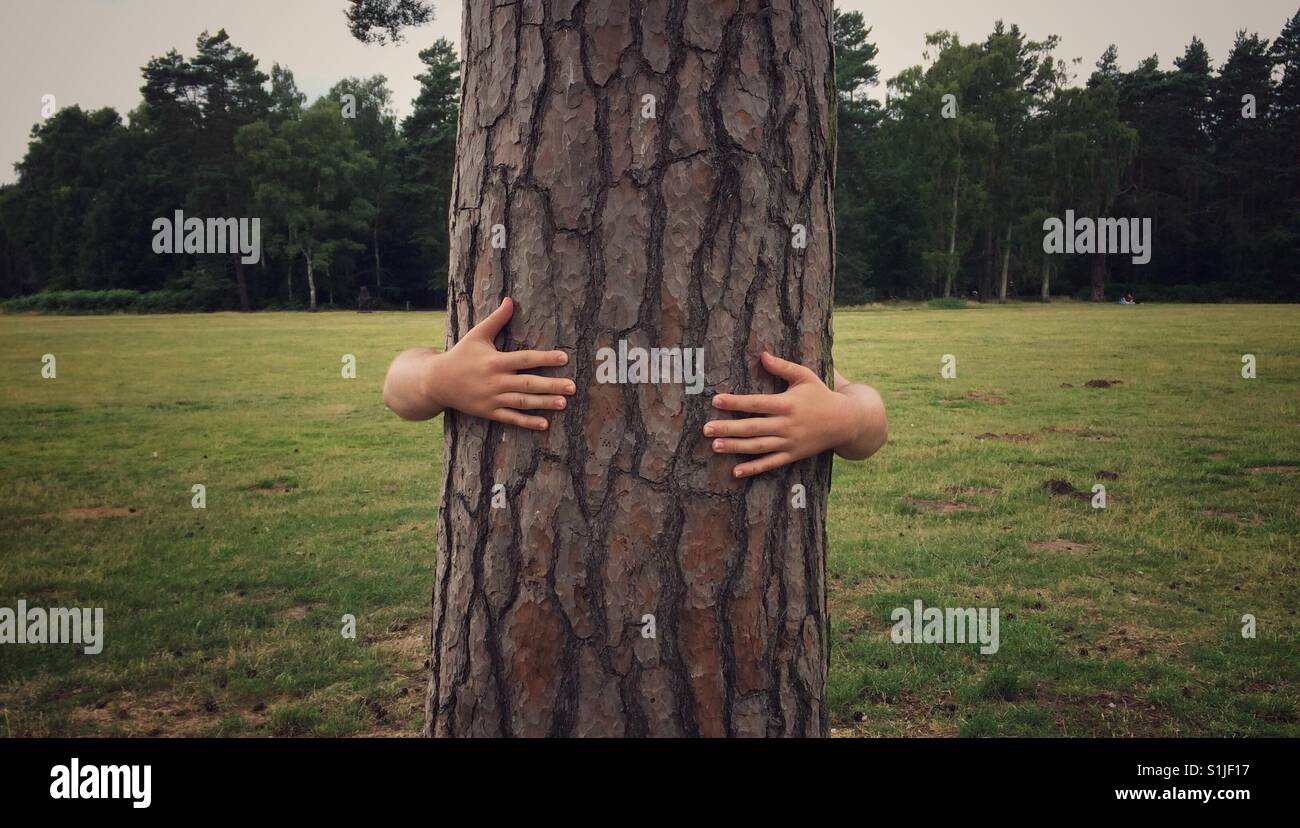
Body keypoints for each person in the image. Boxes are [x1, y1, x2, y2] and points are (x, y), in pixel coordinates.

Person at [383, 297, 887, 477]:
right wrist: (436, 377)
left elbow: (872, 425)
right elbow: (396, 388)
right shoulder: (482, 353)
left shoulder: (783, 352)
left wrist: (844, 419)